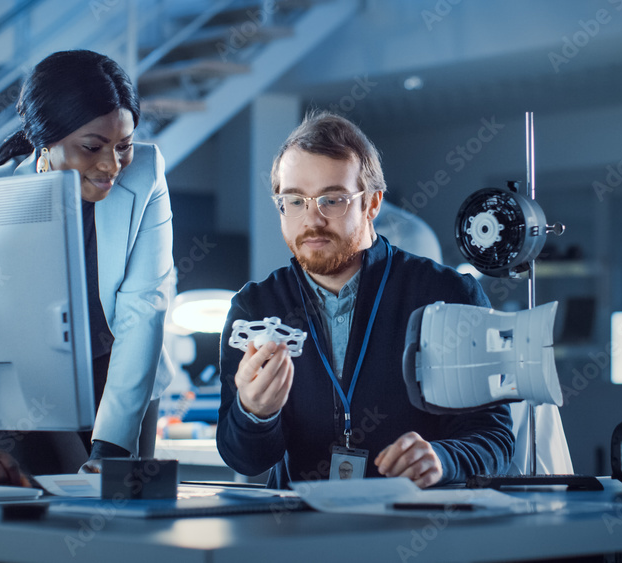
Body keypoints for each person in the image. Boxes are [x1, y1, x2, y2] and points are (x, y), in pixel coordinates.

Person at [217, 111, 513, 489]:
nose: (312, 219)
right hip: (299, 533)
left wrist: (444, 458)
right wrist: (254, 414)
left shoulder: (448, 295)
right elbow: (243, 457)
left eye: (333, 200)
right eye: (294, 201)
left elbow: (495, 438)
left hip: (414, 528)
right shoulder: (256, 307)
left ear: (372, 204)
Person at [0, 50, 174, 483]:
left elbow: (143, 309)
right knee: (39, 516)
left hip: (120, 369)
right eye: (92, 147)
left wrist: (109, 449)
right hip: (26, 386)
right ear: (46, 141)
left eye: (123, 146)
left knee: (116, 518)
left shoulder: (145, 173)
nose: (112, 165)